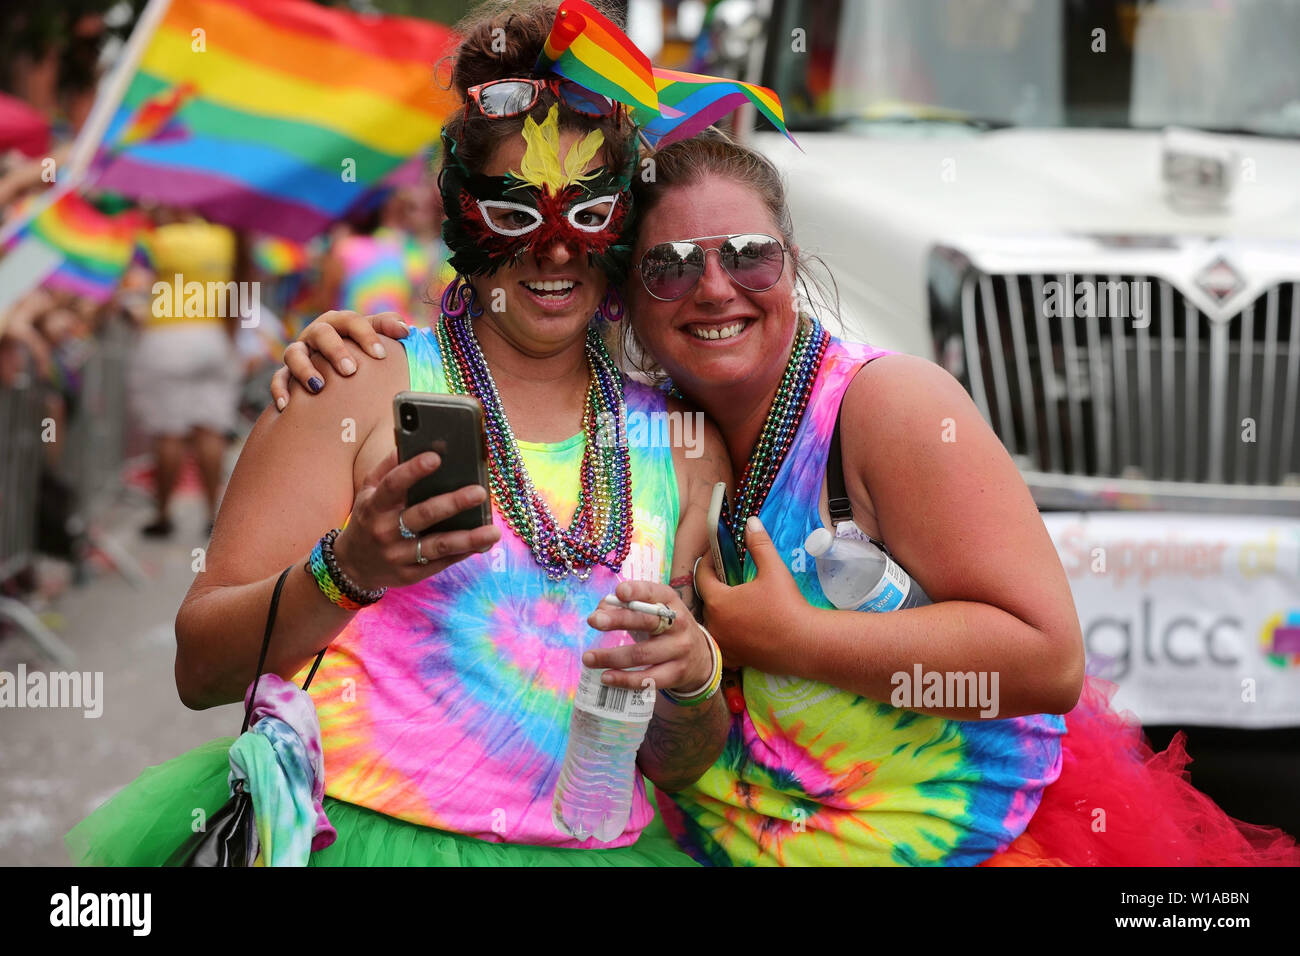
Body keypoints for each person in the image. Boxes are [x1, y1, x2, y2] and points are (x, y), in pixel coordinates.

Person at [280, 127, 1300, 867]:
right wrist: (351, 339)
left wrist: (785, 636)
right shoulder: (644, 431)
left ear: (792, 262)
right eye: (670, 265)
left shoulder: (887, 406)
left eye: (747, 255)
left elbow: (1043, 658)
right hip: (724, 840)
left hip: (930, 842)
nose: (714, 287)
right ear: (626, 289)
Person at [65, 0, 731, 868]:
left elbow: (680, 765)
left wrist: (692, 677)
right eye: (517, 216)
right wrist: (347, 571)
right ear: (462, 213)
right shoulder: (352, 379)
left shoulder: (683, 443)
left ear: (625, 224)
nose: (557, 252)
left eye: (590, 216)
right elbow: (201, 670)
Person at [128, 207, 242, 538]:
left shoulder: (153, 240)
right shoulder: (226, 238)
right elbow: (241, 290)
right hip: (214, 338)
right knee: (211, 429)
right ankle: (212, 514)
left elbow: (133, 289)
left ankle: (163, 514)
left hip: (166, 338)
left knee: (169, 432)